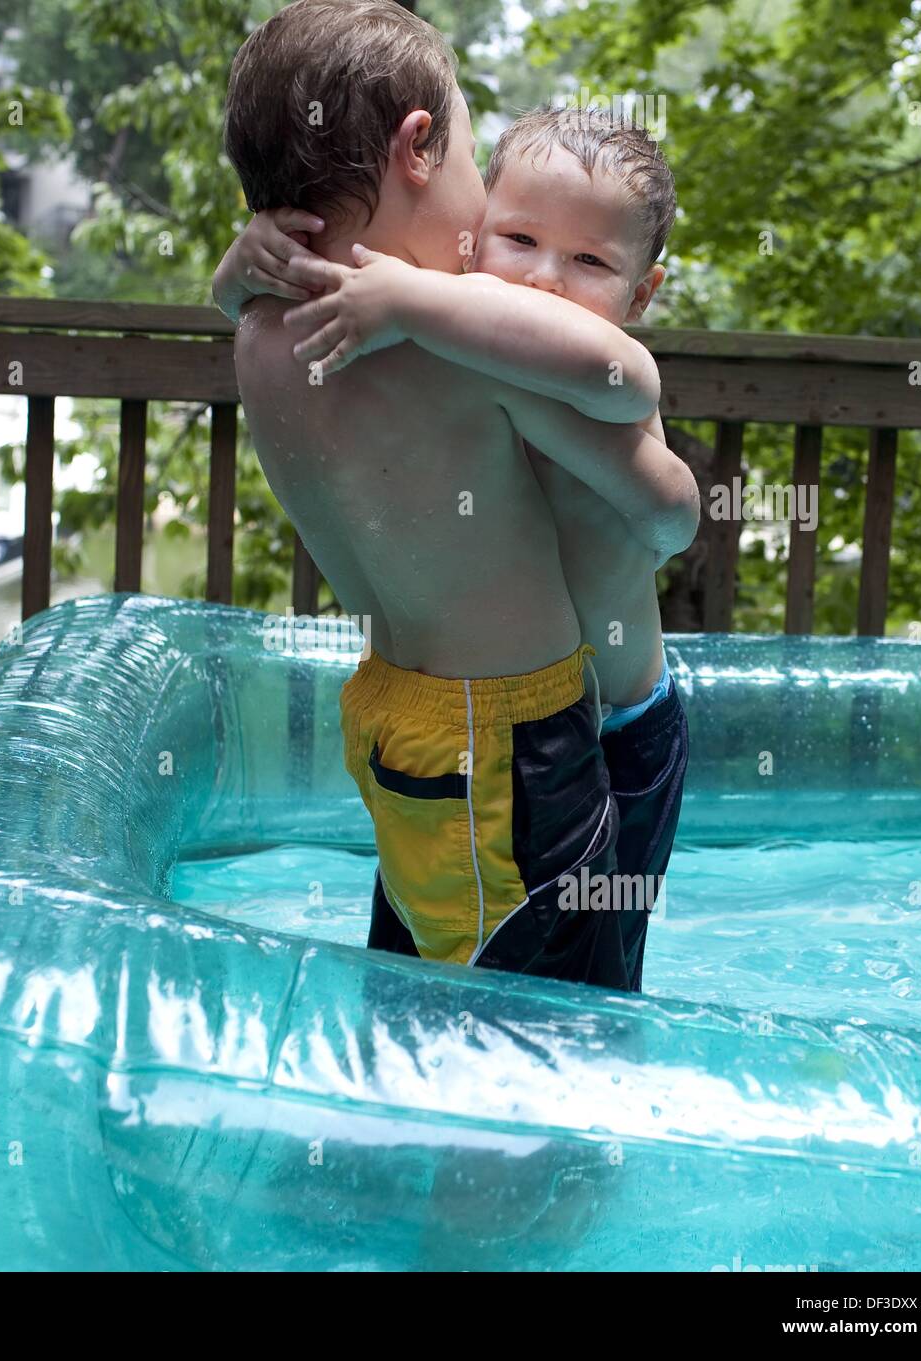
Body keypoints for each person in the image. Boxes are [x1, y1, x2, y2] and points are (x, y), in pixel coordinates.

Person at [217, 0, 698, 988]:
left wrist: (237, 269)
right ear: (418, 145)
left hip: (401, 714)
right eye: (480, 167)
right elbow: (628, 383)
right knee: (549, 1031)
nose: (488, 226)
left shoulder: (257, 327)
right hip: (503, 744)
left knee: (421, 998)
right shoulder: (444, 339)